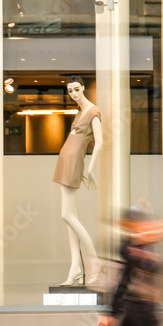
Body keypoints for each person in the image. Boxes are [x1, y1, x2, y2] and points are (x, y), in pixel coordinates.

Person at [53, 76, 103, 286]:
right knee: (70, 216)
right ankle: (76, 268)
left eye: (76, 89)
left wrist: (90, 169)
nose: (73, 94)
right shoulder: (79, 111)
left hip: (74, 162)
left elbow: (100, 142)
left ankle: (95, 262)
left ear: (83, 88)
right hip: (66, 159)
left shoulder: (93, 111)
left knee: (66, 215)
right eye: (70, 91)